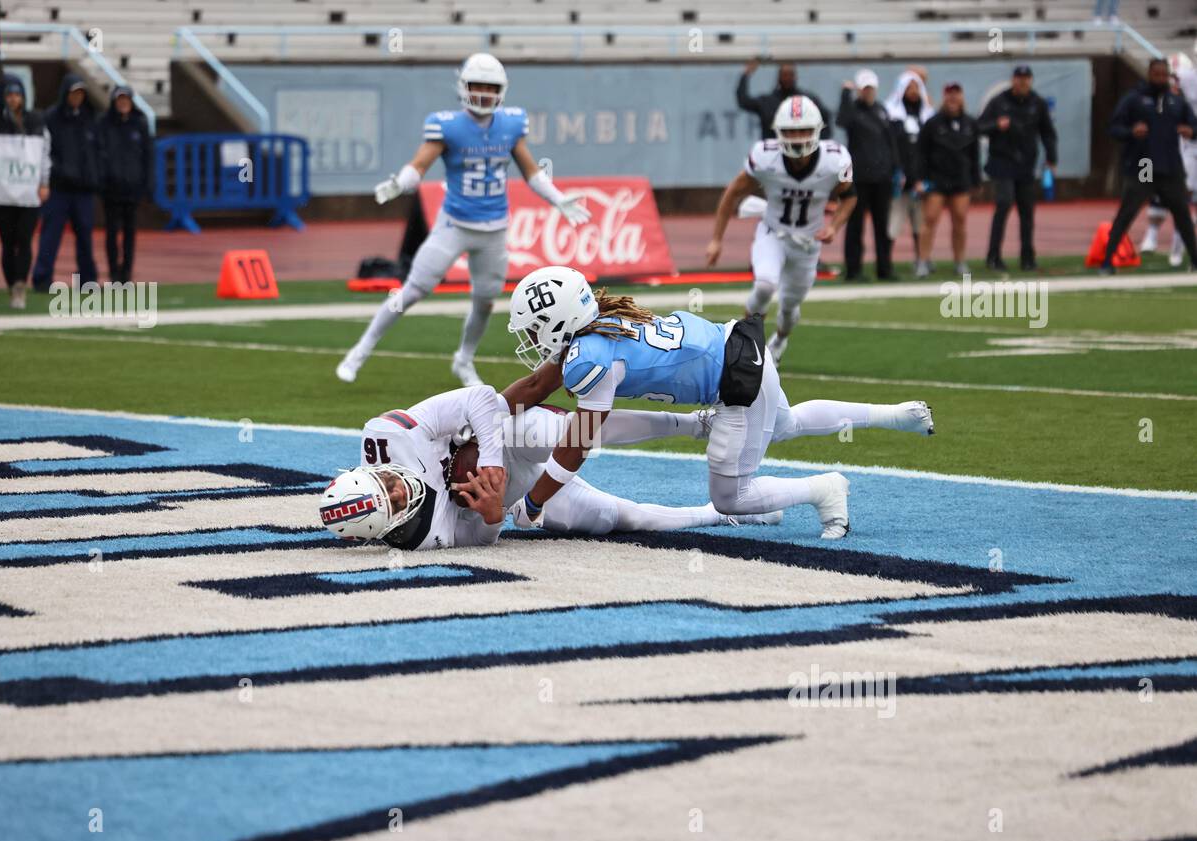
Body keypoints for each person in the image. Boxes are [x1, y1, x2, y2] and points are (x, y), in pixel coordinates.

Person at [499, 268, 938, 541]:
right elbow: (538, 385)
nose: (533, 339)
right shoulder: (601, 324)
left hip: (735, 384)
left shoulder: (588, 356)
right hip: (740, 347)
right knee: (785, 424)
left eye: (536, 329)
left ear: (559, 321)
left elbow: (578, 444)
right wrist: (481, 412)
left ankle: (823, 489)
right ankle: (897, 414)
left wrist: (535, 504)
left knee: (729, 498)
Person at [337, 53, 590, 388]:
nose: (484, 93)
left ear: (502, 90)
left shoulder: (511, 123)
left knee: (484, 302)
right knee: (410, 292)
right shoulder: (448, 125)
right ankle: (360, 350)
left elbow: (530, 170)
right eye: (477, 85)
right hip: (454, 224)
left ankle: (464, 360)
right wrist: (401, 182)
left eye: (490, 86)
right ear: (463, 87)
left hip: (494, 227)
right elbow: (420, 165)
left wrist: (558, 199)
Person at [319, 386, 778, 550]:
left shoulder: (389, 437)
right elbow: (478, 541)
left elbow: (480, 398)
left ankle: (693, 424)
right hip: (520, 500)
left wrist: (492, 461)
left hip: (508, 440)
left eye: (386, 484)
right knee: (627, 519)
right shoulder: (421, 535)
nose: (398, 487)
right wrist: (495, 515)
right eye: (395, 502)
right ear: (387, 526)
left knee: (546, 430)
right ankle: (729, 512)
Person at [705, 95, 857, 363]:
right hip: (772, 232)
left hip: (808, 244)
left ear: (816, 132)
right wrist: (716, 239)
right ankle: (748, 345)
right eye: (790, 131)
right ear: (778, 133)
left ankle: (780, 340)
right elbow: (733, 193)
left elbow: (850, 196)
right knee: (764, 285)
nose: (797, 137)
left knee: (789, 307)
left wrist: (834, 226)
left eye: (803, 130)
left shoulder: (834, 161)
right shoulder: (766, 158)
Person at [1098, 58, 1197, 275]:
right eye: (1157, 74)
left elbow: (1193, 125)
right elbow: (1114, 127)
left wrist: (1191, 132)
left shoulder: (1176, 102)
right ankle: (1107, 261)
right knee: (1127, 212)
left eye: (1164, 75)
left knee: (1183, 215)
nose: (1161, 79)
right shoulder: (1135, 99)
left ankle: (1194, 259)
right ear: (1149, 74)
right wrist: (1130, 132)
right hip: (1145, 164)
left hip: (1170, 167)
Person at [978, 65, 1057, 272]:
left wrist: (1051, 158)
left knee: (1027, 211)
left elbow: (1047, 132)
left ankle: (1027, 257)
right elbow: (979, 127)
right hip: (1002, 162)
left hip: (1025, 164)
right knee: (1004, 203)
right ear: (1013, 80)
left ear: (1031, 80)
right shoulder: (999, 102)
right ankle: (993, 256)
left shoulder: (1037, 103)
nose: (1022, 82)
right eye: (1019, 78)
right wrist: (997, 125)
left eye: (1026, 78)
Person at [0, 74, 50, 309]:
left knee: (24, 240)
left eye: (17, 95)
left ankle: (21, 284)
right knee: (7, 242)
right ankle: (11, 283)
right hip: (1, 193)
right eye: (9, 95)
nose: (13, 100)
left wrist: (44, 182)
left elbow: (44, 153)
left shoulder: (36, 120)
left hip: (27, 192)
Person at [31, 74, 102, 291]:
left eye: (80, 93)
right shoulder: (51, 117)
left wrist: (93, 175)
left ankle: (87, 280)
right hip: (58, 188)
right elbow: (44, 150)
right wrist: (59, 172)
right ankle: (42, 278)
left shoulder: (90, 117)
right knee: (50, 235)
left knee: (85, 236)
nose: (77, 97)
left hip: (83, 189)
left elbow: (96, 150)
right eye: (73, 93)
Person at [837, 69, 899, 281]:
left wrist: (895, 168)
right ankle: (853, 270)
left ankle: (885, 268)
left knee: (883, 226)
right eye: (865, 89)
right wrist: (845, 95)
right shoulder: (852, 110)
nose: (868, 92)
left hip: (882, 178)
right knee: (855, 226)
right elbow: (842, 121)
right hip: (859, 177)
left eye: (871, 88)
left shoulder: (882, 110)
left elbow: (890, 142)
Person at [916, 82, 981, 278]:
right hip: (937, 179)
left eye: (956, 94)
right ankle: (923, 260)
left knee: (960, 221)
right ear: (944, 98)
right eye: (949, 95)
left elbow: (975, 155)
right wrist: (920, 179)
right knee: (930, 220)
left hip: (960, 180)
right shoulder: (933, 123)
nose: (952, 98)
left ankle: (960, 261)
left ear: (961, 97)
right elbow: (921, 153)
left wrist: (976, 181)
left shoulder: (970, 123)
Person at [98, 85, 153, 282]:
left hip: (132, 187)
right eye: (119, 99)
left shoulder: (140, 123)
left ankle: (127, 271)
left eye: (126, 99)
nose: (123, 103)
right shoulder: (104, 124)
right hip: (111, 189)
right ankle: (113, 270)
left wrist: (146, 184)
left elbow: (148, 156)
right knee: (112, 232)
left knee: (130, 233)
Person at [884, 68, 934, 274]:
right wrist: (899, 171)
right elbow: (893, 147)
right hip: (901, 179)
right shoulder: (892, 115)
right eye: (909, 87)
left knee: (920, 223)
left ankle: (922, 258)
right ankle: (885, 261)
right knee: (894, 222)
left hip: (922, 180)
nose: (913, 91)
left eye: (916, 87)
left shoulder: (927, 115)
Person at [735, 60, 831, 141]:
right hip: (772, 154)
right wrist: (745, 75)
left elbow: (825, 116)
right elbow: (743, 101)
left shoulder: (807, 100)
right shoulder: (767, 101)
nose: (787, 78)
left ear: (795, 77)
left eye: (790, 75)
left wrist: (819, 142)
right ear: (779, 77)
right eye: (784, 75)